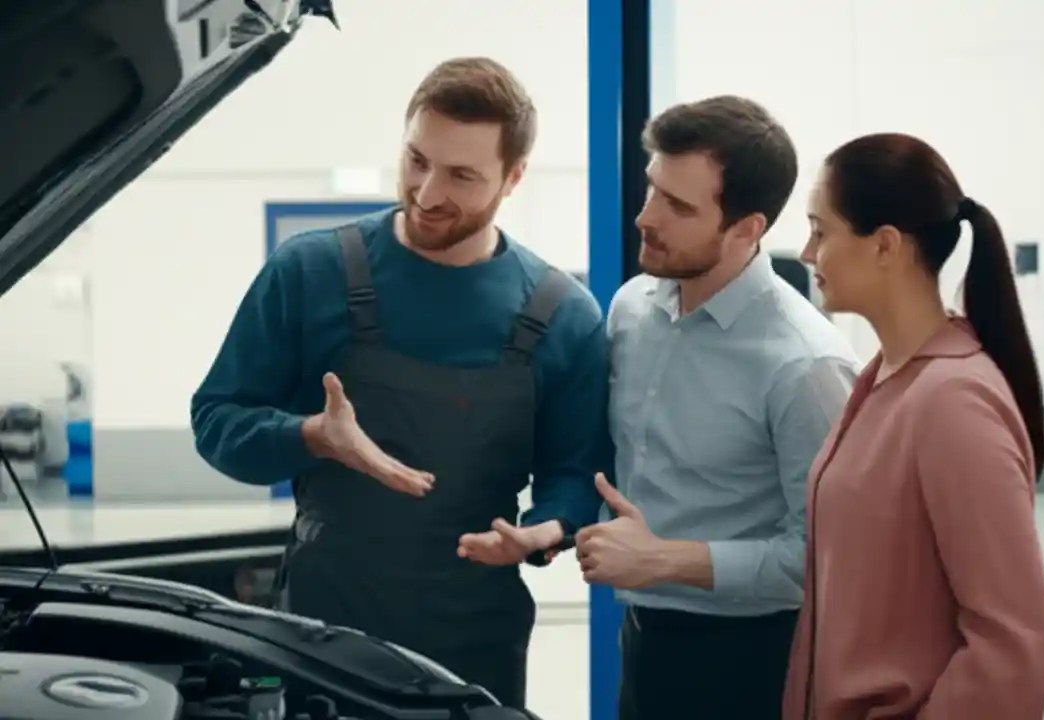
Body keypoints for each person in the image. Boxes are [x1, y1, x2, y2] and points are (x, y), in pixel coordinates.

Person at [189, 57, 609, 709]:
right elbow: (217, 421)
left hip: (474, 649)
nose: (426, 191)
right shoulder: (308, 272)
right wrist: (312, 437)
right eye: (417, 160)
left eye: (462, 176)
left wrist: (544, 532)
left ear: (514, 177)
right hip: (320, 638)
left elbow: (577, 471)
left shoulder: (563, 316)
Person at [571, 96, 860, 720]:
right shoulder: (632, 307)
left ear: (747, 228)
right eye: (653, 190)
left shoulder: (805, 365)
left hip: (752, 662)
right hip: (646, 643)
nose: (646, 218)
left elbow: (826, 557)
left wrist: (663, 559)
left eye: (678, 207)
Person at [782, 132, 1044, 720]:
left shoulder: (954, 403)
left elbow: (1014, 647)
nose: (808, 253)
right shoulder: (883, 377)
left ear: (884, 245)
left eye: (820, 231)